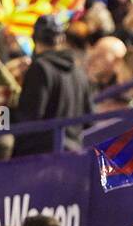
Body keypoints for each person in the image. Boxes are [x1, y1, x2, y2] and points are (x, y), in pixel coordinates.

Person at [10, 14, 94, 157]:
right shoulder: (79, 72)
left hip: (39, 159)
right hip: (73, 157)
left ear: (34, 39)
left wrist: (3, 109)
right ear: (61, 39)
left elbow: (28, 120)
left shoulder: (40, 68)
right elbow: (89, 120)